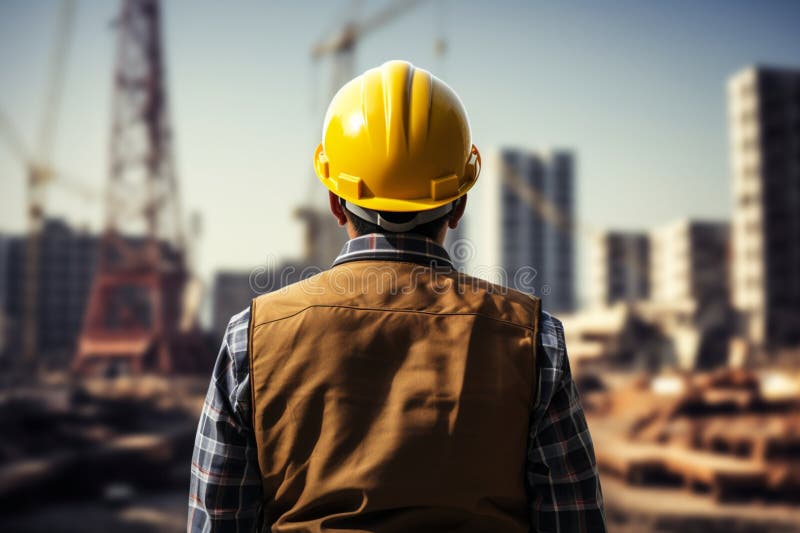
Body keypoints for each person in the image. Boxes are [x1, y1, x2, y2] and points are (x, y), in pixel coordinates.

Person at [189, 60, 606, 533]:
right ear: (459, 205)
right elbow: (574, 519)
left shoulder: (252, 337)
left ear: (333, 200)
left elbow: (217, 520)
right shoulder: (534, 339)